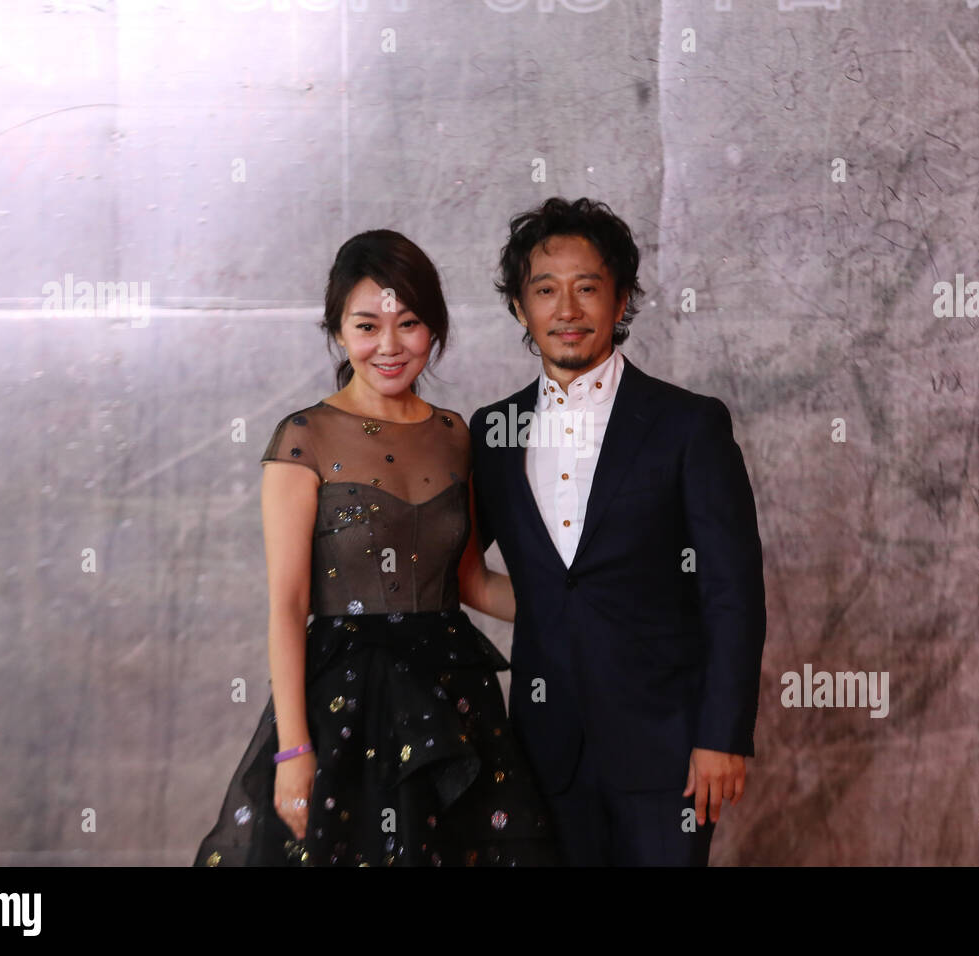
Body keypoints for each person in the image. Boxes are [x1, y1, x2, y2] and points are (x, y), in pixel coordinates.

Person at [195, 229, 559, 867]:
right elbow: (287, 605)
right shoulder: (304, 438)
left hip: (455, 703)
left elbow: (471, 583)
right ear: (338, 331)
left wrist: (586, 606)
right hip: (346, 710)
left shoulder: (455, 435)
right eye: (366, 326)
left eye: (409, 323)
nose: (389, 346)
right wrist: (293, 752)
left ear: (435, 329)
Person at [469, 197, 767, 866]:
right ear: (520, 308)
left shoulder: (688, 425)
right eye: (545, 290)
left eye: (587, 288)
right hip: (543, 751)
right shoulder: (491, 431)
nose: (566, 309)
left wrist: (723, 735)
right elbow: (454, 566)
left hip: (670, 751)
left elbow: (732, 594)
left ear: (621, 299)